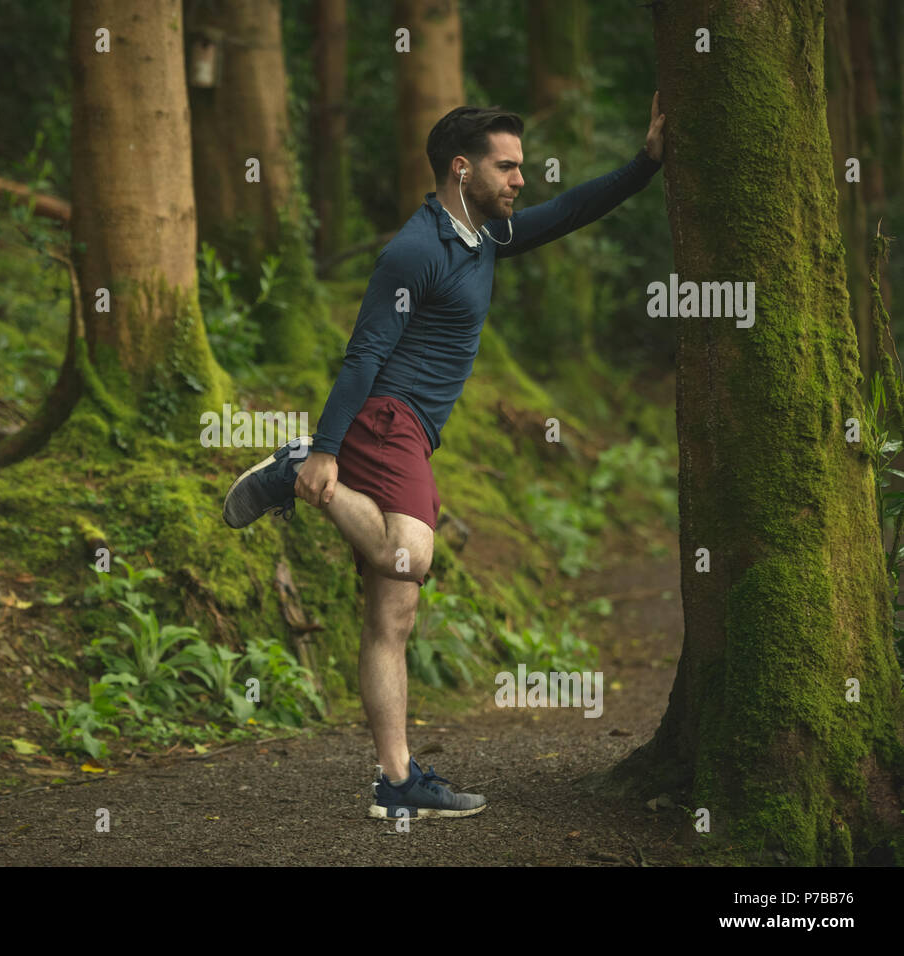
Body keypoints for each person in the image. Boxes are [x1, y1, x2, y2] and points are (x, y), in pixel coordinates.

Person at [223, 93, 666, 820]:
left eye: (521, 166)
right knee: (411, 560)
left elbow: (574, 210)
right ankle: (300, 469)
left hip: (413, 431)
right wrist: (329, 451)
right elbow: (365, 351)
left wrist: (645, 164)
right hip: (385, 420)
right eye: (508, 166)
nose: (521, 179)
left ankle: (395, 781)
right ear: (463, 170)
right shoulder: (417, 250)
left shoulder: (485, 238)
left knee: (391, 615)